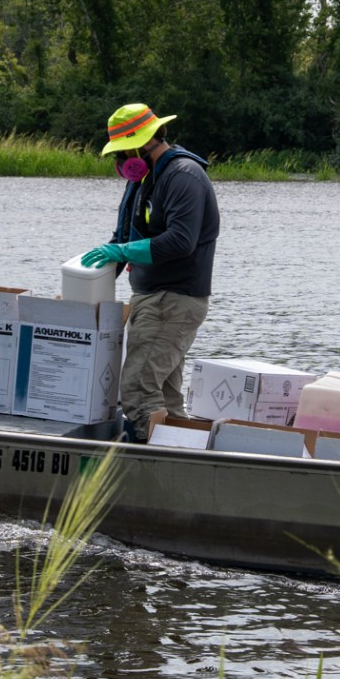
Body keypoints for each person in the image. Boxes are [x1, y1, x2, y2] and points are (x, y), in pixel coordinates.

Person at [79, 103, 220, 439]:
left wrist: (123, 251)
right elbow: (123, 238)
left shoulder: (183, 176)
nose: (119, 160)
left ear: (140, 144)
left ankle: (149, 466)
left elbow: (180, 242)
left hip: (172, 302)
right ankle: (180, 457)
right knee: (167, 398)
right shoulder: (145, 179)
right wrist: (87, 288)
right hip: (153, 300)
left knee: (140, 388)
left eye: (122, 151)